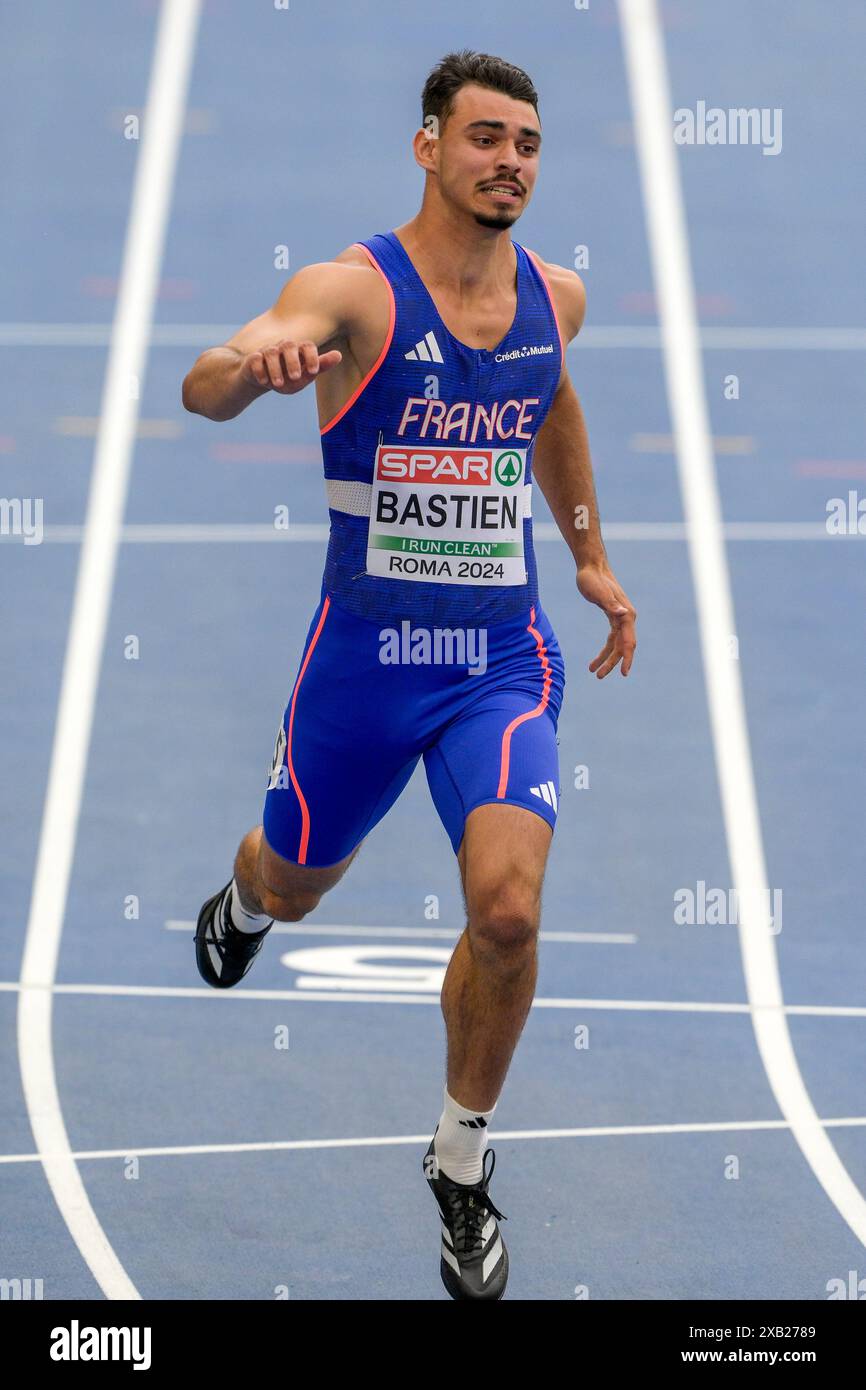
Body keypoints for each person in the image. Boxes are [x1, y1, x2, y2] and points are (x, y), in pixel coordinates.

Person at [181, 48, 637, 1301]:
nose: (509, 162)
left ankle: (459, 1161)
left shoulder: (558, 296)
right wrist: (255, 366)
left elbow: (548, 405)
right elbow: (208, 378)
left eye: (528, 143)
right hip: (365, 666)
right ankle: (249, 899)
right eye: (484, 137)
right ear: (428, 145)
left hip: (496, 657)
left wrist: (590, 558)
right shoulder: (352, 291)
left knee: (506, 913)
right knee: (293, 875)